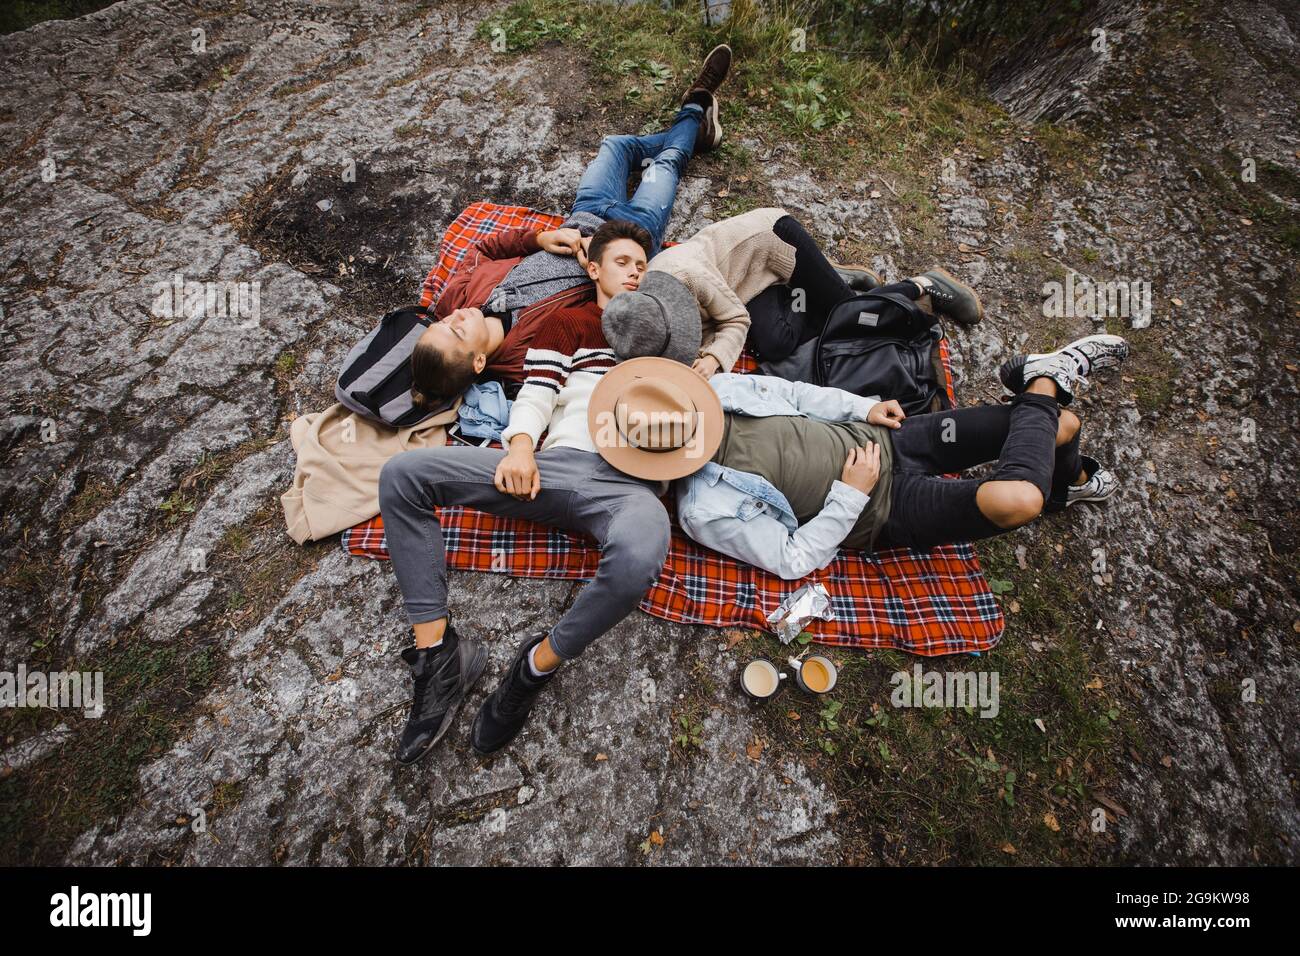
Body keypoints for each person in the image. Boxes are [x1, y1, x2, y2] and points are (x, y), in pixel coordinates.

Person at [377, 220, 712, 764]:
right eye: (621, 262)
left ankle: (533, 668)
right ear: (594, 268)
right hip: (551, 469)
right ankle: (439, 653)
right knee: (402, 476)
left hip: (627, 491)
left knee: (643, 552)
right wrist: (520, 446)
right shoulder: (570, 321)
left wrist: (711, 362)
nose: (633, 273)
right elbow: (537, 391)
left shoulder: (670, 338)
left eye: (642, 266)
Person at [585, 335, 1129, 581]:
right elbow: (793, 559)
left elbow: (798, 395)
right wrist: (852, 493)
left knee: (1062, 426)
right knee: (1017, 498)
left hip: (899, 440)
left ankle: (1069, 479)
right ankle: (1042, 377)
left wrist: (864, 408)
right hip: (887, 507)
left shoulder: (722, 390)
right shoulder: (703, 510)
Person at [408, 44, 733, 409]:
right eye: (456, 330)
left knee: (616, 146)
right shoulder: (528, 358)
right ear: (478, 362)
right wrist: (596, 267)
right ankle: (694, 109)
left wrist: (539, 237)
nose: (454, 316)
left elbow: (484, 249)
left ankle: (691, 133)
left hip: (584, 213)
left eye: (441, 321)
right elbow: (614, 330)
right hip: (631, 235)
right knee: (669, 163)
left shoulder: (456, 300)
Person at [632, 206, 983, 378]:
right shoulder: (653, 302)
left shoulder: (688, 276)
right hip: (748, 279)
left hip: (776, 244)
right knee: (777, 345)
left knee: (854, 316)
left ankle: (923, 284)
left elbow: (734, 320)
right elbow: (707, 325)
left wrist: (711, 358)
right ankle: (823, 281)